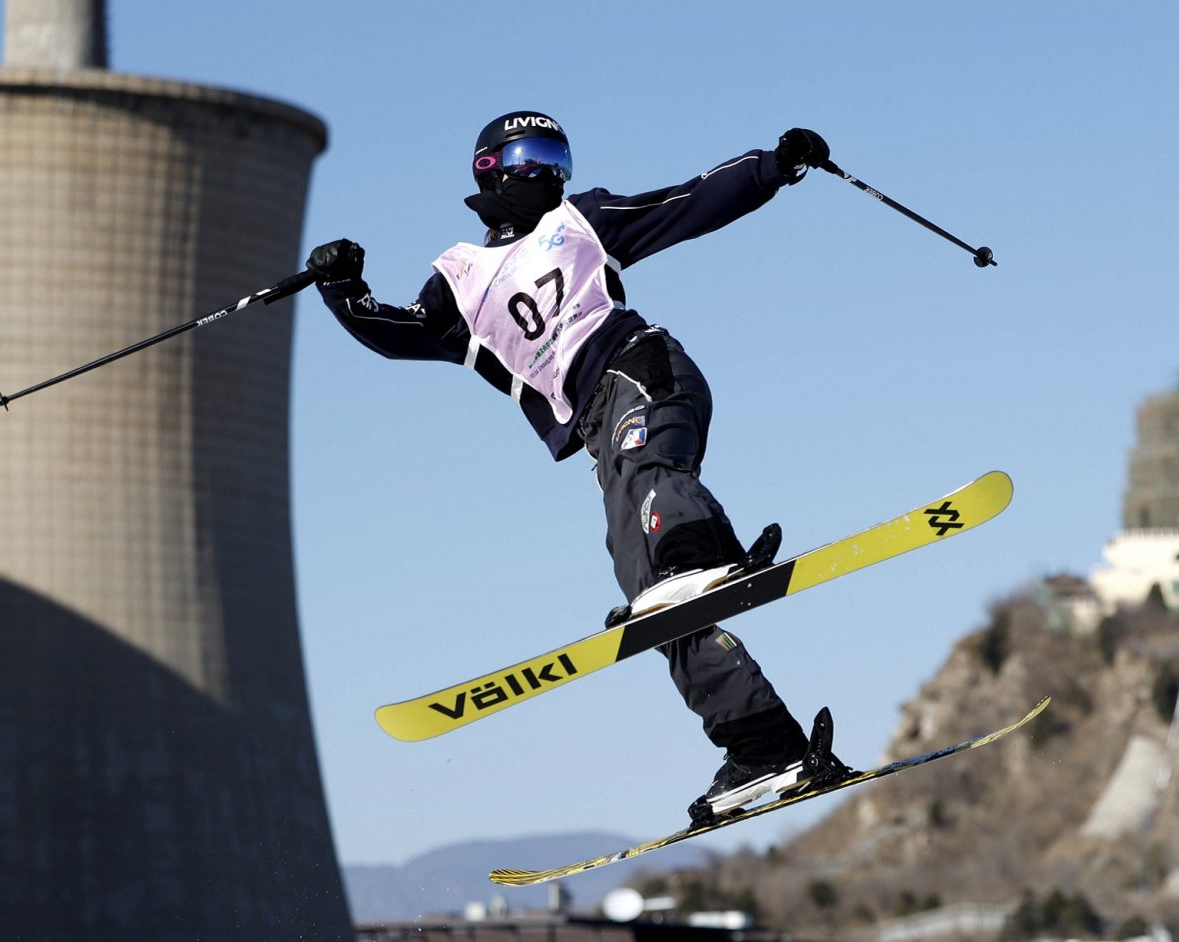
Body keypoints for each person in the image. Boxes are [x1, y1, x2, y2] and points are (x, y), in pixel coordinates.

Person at [306, 111, 842, 821]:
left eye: (558, 155)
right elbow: (399, 332)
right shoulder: (460, 279)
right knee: (655, 604)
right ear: (490, 167)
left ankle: (700, 552)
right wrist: (344, 289)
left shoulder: (581, 221)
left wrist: (775, 165)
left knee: (657, 486)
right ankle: (765, 746)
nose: (550, 170)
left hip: (641, 371)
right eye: (533, 155)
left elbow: (689, 202)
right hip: (591, 426)